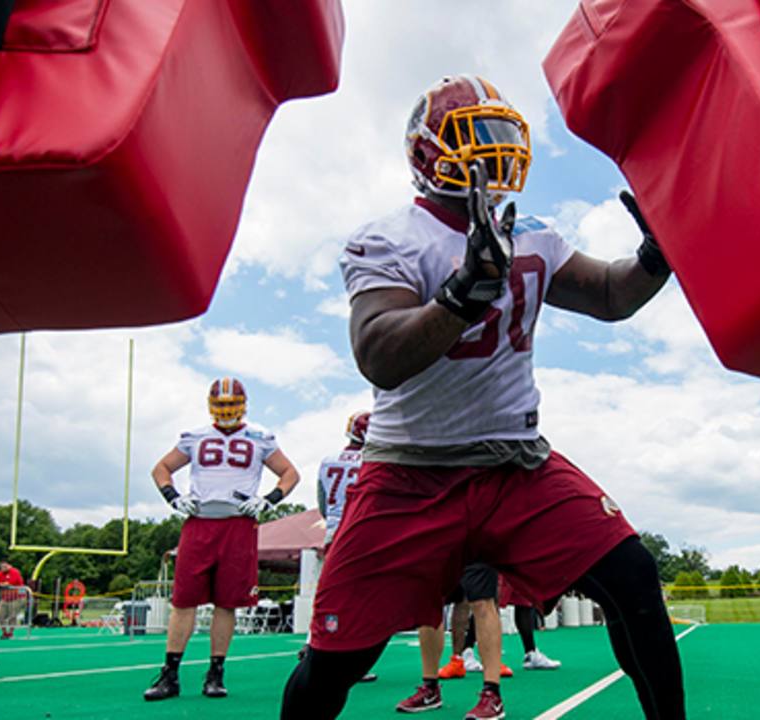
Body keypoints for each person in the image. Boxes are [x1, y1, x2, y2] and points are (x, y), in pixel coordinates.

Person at [281, 74, 683, 720]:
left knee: (633, 574)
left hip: (515, 467)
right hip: (411, 474)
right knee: (335, 663)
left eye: (498, 135)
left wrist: (656, 258)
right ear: (425, 154)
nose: (491, 151)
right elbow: (379, 355)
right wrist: (458, 297)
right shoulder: (390, 238)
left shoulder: (534, 234)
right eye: (471, 136)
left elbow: (610, 295)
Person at [144, 377, 300, 701]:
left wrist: (269, 499)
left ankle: (215, 673)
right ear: (210, 405)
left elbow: (290, 474)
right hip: (200, 522)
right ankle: (170, 674)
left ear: (242, 405)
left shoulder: (261, 437)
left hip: (239, 523)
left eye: (231, 404)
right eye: (221, 405)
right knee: (184, 601)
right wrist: (172, 496)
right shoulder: (194, 436)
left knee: (227, 602)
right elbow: (161, 468)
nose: (226, 410)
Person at [312, 410, 377, 683]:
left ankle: (314, 644)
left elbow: (323, 502)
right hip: (361, 530)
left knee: (328, 593)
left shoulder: (328, 460)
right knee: (360, 598)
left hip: (334, 530)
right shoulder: (375, 460)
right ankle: (350, 656)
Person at [397, 564, 512, 714]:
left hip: (477, 543)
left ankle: (492, 694)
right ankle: (430, 688)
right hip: (438, 542)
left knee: (482, 600)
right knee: (428, 601)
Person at [0, 559, 26, 639]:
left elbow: (9, 583)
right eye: (1, 567)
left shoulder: (15, 572)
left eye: (4, 566)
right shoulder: (0, 573)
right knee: (0, 616)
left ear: (9, 565)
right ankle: (4, 632)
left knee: (12, 616)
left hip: (17, 598)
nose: (2, 568)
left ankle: (10, 633)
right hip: (5, 598)